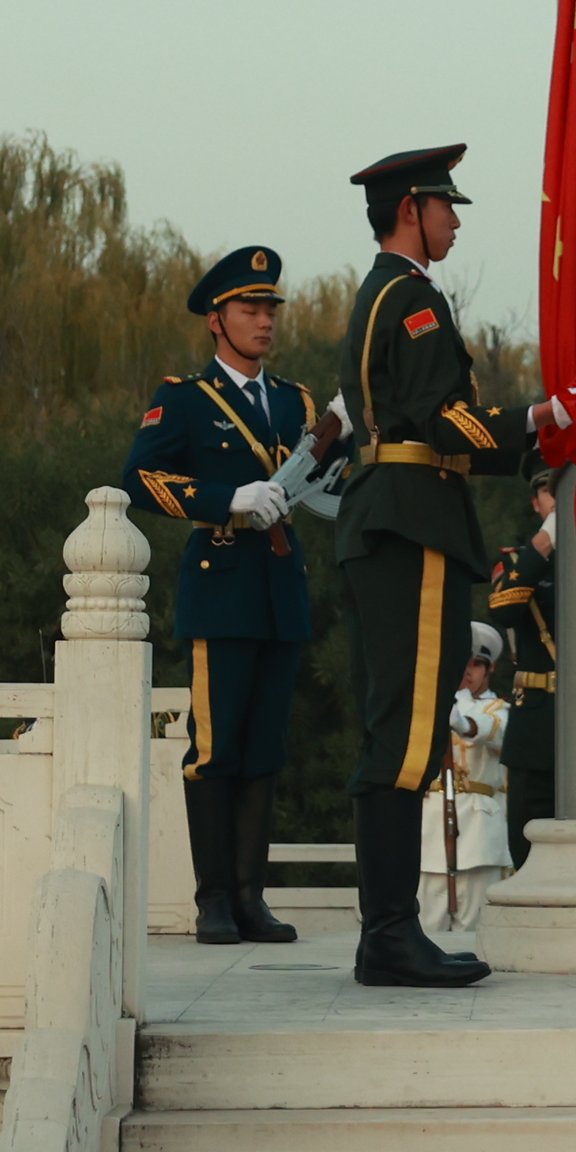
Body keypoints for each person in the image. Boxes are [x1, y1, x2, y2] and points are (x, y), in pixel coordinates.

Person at [335, 144, 573, 989]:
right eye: (446, 206)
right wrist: (534, 419)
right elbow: (442, 420)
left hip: (392, 514)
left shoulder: (384, 293)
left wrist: (512, 431)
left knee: (396, 727)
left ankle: (387, 933)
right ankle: (392, 934)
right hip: (412, 521)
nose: (455, 220)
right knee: (406, 733)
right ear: (411, 210)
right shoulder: (413, 299)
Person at [124, 245, 343, 947]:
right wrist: (226, 498)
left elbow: (323, 487)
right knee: (213, 752)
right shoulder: (183, 400)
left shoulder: (295, 402)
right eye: (250, 309)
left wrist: (339, 445)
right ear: (216, 319)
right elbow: (140, 480)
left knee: (264, 750)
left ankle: (252, 898)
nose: (265, 321)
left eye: (271, 308)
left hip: (280, 590)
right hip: (221, 586)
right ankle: (213, 899)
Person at [485, 467, 563, 844]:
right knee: (528, 844)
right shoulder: (521, 561)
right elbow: (503, 610)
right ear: (537, 503)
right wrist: (546, 541)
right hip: (537, 723)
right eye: (552, 493)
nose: (561, 501)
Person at [423, 623, 515, 929]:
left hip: (479, 833)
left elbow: (498, 732)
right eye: (461, 663)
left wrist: (464, 723)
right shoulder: (426, 707)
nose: (467, 671)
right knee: (426, 922)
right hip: (429, 829)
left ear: (491, 668)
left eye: (476, 664)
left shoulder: (500, 709)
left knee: (476, 927)